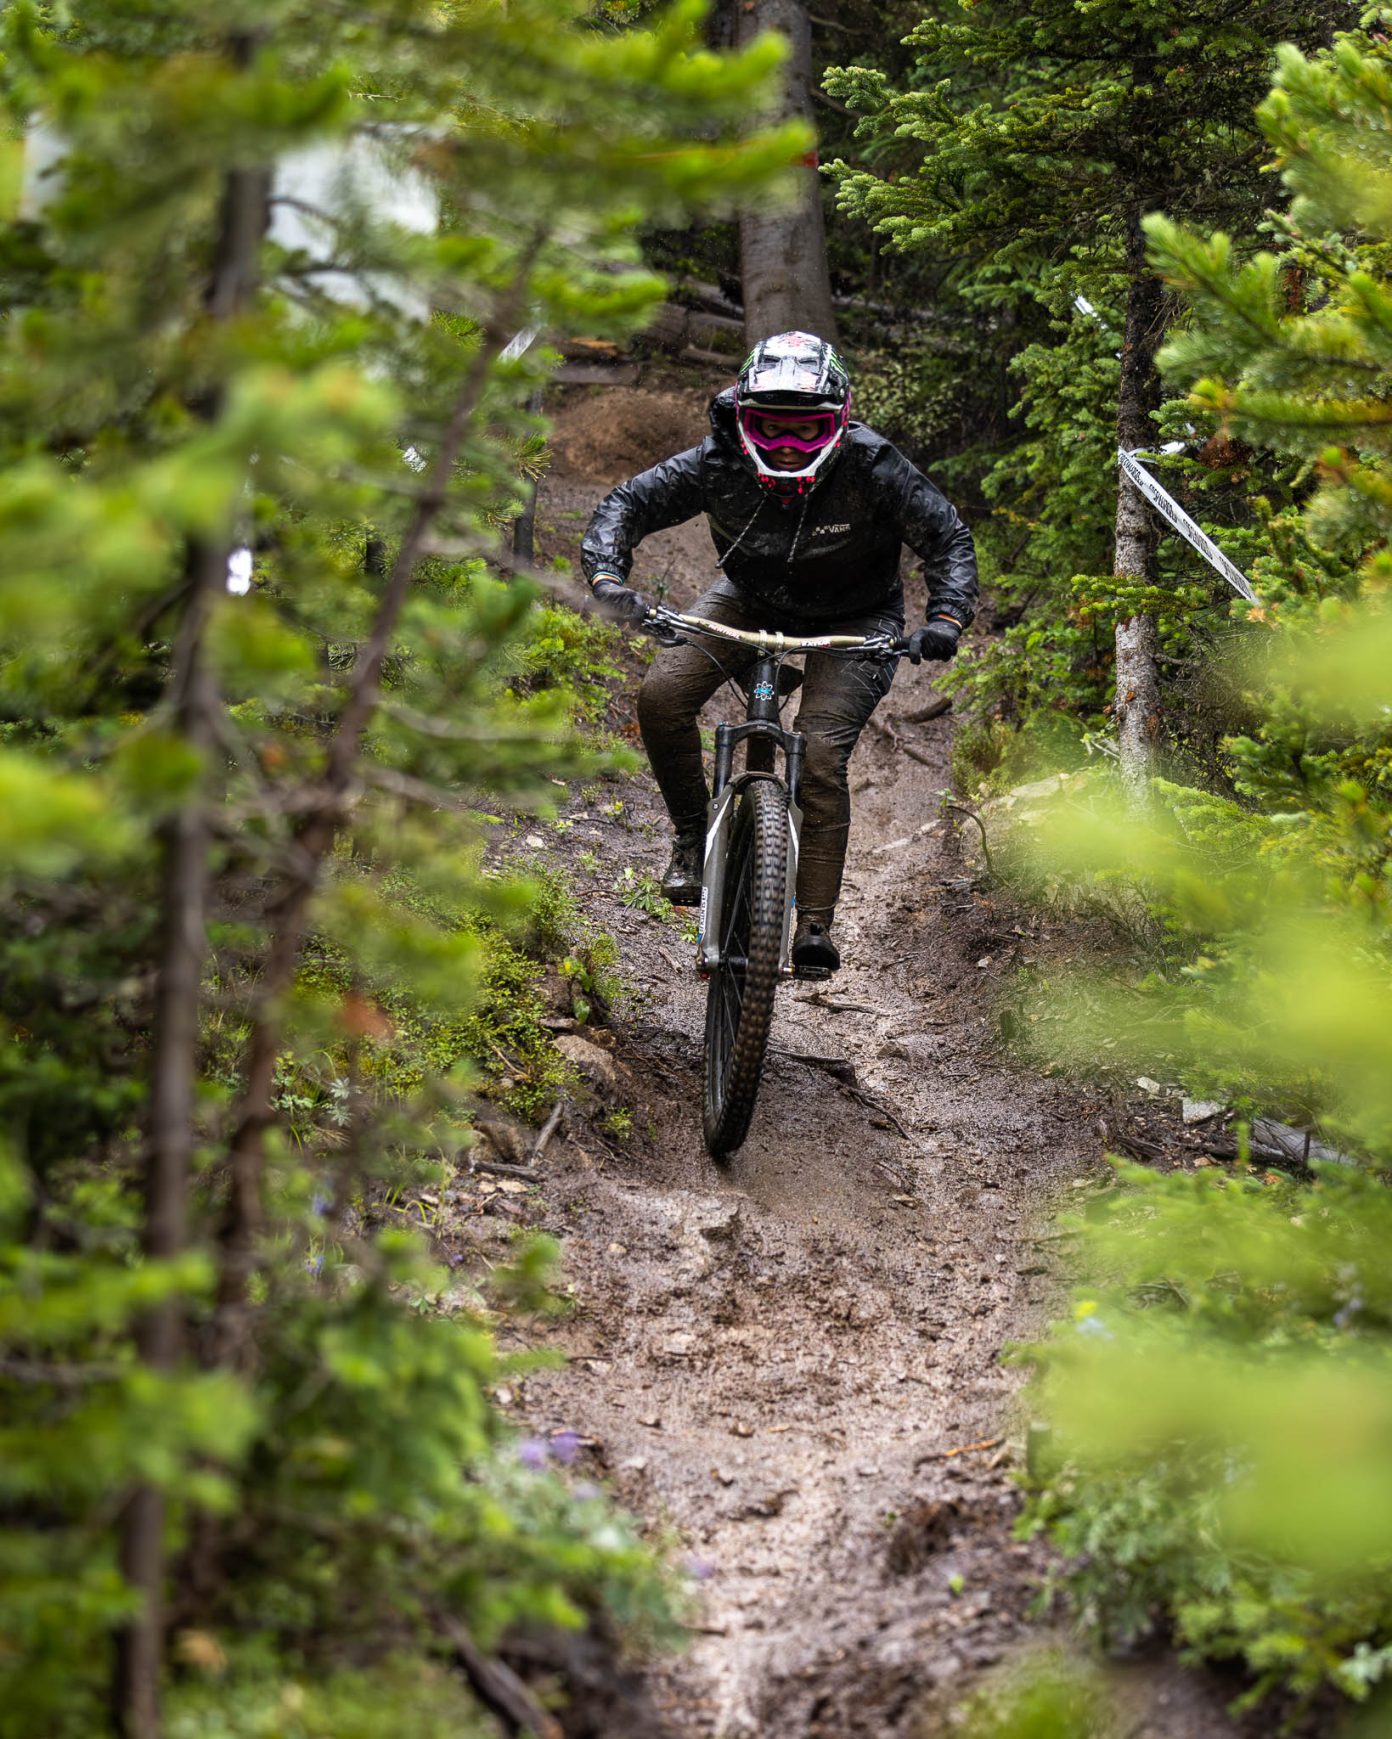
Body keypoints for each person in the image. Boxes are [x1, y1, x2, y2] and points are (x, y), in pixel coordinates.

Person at [581, 330, 977, 974]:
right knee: (660, 698)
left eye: (805, 430)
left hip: (858, 617)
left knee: (819, 755)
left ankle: (813, 925)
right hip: (749, 597)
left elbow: (947, 538)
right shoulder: (716, 461)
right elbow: (627, 505)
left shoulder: (873, 465)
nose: (787, 448)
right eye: (770, 428)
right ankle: (689, 837)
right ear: (741, 419)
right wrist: (608, 578)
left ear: (839, 423)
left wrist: (946, 617)